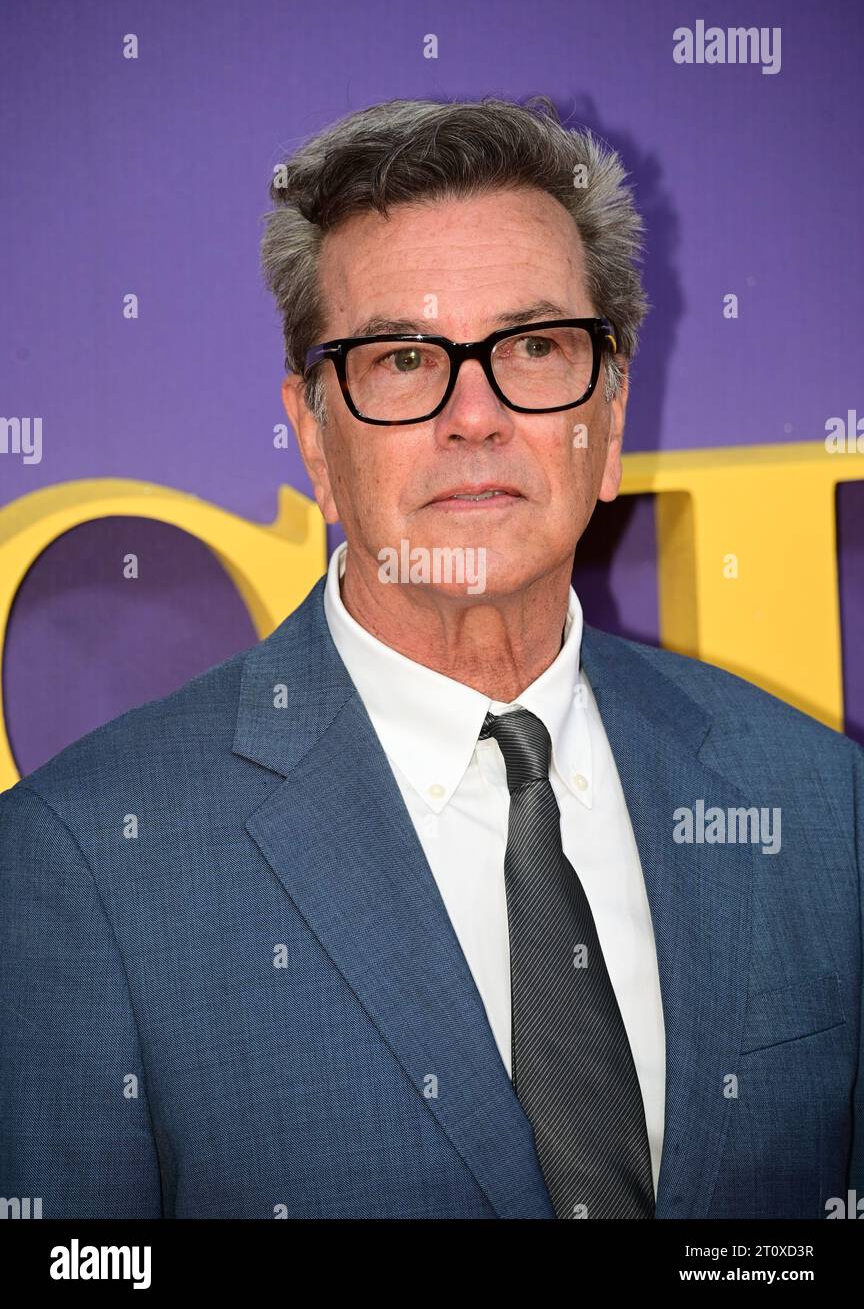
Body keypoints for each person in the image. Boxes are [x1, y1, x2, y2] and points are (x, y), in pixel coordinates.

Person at [1, 97, 861, 1219]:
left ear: (604, 424)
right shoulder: (84, 868)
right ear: (315, 435)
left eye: (536, 346)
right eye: (404, 358)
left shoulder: (820, 803)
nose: (476, 415)